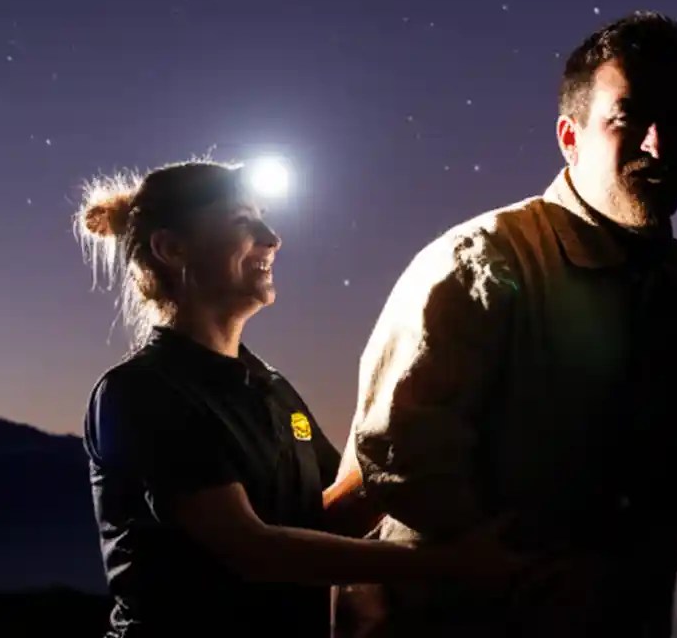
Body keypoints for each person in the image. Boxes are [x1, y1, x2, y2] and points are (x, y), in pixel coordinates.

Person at [335, 11, 677, 636]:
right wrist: (531, 568)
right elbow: (403, 458)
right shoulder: (478, 262)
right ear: (569, 137)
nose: (658, 145)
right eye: (629, 119)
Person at [73, 159, 523, 638]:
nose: (272, 239)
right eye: (241, 222)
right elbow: (252, 549)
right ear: (171, 249)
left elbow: (322, 521)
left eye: (264, 220)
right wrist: (445, 564)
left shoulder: (270, 387)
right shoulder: (140, 392)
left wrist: (435, 421)